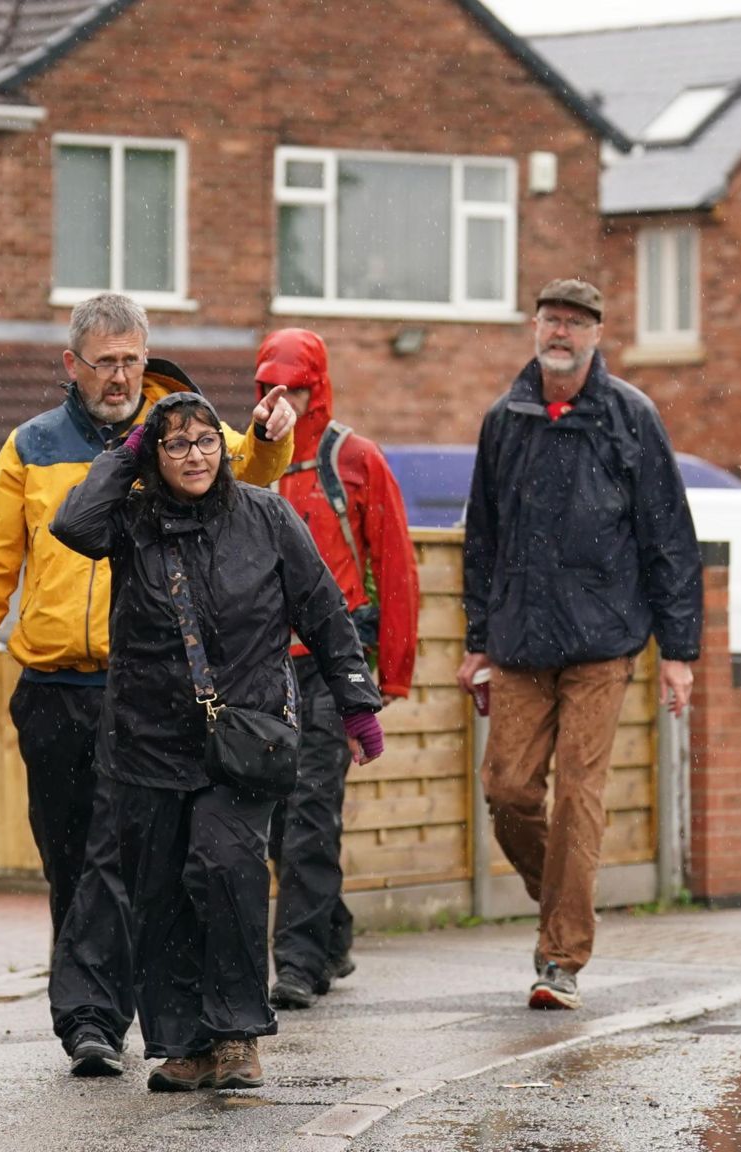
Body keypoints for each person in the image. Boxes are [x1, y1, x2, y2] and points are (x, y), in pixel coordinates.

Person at [0, 292, 295, 1077]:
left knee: (121, 857)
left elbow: (250, 478)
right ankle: (98, 1008)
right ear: (72, 365)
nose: (120, 375)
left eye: (132, 359)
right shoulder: (31, 446)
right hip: (52, 688)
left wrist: (275, 436)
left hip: (149, 692)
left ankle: (93, 1019)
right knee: (72, 859)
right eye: (104, 362)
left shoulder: (179, 431)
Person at [50, 390, 384, 1092]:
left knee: (227, 869)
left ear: (223, 448)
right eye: (175, 444)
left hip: (244, 734)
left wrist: (355, 703)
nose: (194, 455)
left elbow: (323, 610)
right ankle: (183, 1042)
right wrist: (130, 450)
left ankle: (236, 1036)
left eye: (206, 441)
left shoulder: (266, 515)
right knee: (160, 888)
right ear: (155, 455)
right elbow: (73, 523)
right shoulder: (131, 519)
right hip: (147, 735)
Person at [456, 279, 703, 1012]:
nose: (560, 332)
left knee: (578, 800)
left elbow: (669, 539)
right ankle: (564, 898)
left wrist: (679, 655)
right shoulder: (505, 419)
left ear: (598, 334)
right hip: (522, 644)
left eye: (575, 322)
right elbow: (483, 540)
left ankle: (560, 957)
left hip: (603, 643)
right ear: (534, 327)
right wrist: (476, 641)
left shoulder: (631, 418)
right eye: (551, 319)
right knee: (506, 791)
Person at [254, 329, 419, 1011]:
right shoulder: (248, 459)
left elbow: (397, 567)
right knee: (271, 823)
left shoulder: (356, 460)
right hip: (259, 666)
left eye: (292, 387)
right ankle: (332, 930)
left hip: (328, 661)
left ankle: (297, 964)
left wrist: (392, 675)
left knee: (312, 813)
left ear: (315, 387)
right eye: (268, 387)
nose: (279, 400)